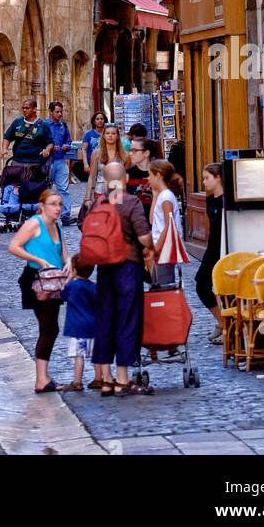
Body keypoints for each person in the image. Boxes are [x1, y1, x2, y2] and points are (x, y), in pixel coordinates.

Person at [92, 163, 155, 396]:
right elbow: (144, 235)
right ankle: (122, 378)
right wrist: (153, 248)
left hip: (104, 269)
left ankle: (105, 378)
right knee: (128, 319)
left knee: (105, 321)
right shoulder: (131, 203)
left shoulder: (100, 203)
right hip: (128, 267)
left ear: (107, 182)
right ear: (126, 178)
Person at [8, 189, 71, 392]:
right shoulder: (34, 223)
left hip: (53, 282)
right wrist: (37, 259)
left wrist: (69, 263)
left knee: (49, 329)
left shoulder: (57, 227)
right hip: (37, 281)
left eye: (60, 204)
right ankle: (41, 379)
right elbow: (14, 246)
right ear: (42, 205)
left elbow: (63, 253)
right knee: (49, 329)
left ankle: (43, 377)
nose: (58, 208)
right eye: (53, 204)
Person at [60, 254, 98, 393]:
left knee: (79, 356)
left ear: (74, 270)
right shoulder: (93, 286)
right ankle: (99, 378)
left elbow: (62, 294)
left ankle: (77, 381)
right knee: (95, 354)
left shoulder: (72, 286)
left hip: (77, 328)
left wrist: (69, 278)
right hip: (92, 326)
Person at [148, 159, 188, 289]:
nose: (148, 179)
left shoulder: (166, 198)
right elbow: (152, 220)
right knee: (156, 286)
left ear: (158, 175)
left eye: (150, 175)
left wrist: (155, 249)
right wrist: (154, 196)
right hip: (161, 247)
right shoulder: (162, 195)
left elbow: (168, 226)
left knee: (163, 287)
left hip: (164, 249)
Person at [197, 162, 225, 344]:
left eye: (207, 178)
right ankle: (222, 322)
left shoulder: (226, 201)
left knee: (222, 289)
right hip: (212, 249)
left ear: (218, 178)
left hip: (223, 249)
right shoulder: (210, 200)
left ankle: (227, 326)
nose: (204, 182)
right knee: (201, 285)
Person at [85, 123, 129, 207]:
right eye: (108, 133)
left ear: (117, 136)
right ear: (104, 136)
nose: (110, 136)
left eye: (113, 133)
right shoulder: (96, 153)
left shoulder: (124, 155)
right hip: (100, 191)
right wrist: (88, 198)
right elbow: (91, 177)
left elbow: (125, 178)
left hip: (117, 192)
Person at [2, 97, 53, 164]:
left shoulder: (43, 125)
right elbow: (7, 137)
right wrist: (4, 148)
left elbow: (50, 143)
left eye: (27, 108)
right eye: (23, 108)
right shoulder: (18, 122)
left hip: (35, 163)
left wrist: (47, 150)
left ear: (34, 109)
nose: (24, 110)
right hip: (18, 161)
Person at [47, 100, 74, 225]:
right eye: (57, 112)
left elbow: (69, 140)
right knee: (46, 188)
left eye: (60, 112)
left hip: (60, 160)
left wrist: (66, 146)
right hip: (47, 162)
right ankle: (47, 215)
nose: (59, 114)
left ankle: (65, 215)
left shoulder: (64, 126)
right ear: (50, 112)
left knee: (63, 188)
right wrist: (49, 148)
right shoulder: (44, 125)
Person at [126, 137, 160, 217]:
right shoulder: (127, 174)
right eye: (130, 150)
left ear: (146, 153)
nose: (130, 153)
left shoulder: (158, 173)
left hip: (156, 219)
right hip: (134, 220)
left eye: (134, 150)